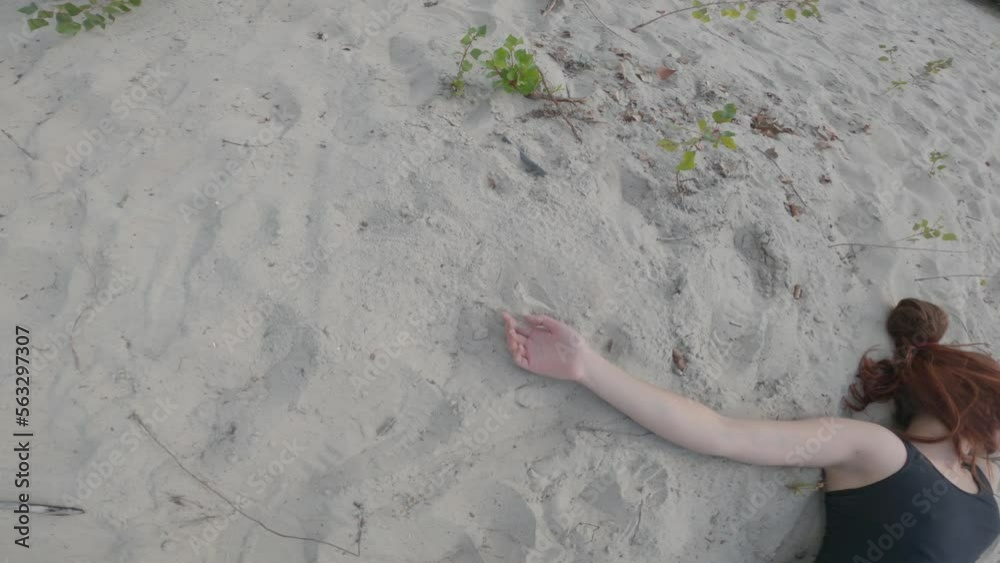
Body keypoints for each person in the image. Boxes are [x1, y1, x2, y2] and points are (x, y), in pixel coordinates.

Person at [501, 298, 1000, 563]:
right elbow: (722, 433)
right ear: (975, 400)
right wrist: (588, 367)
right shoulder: (879, 452)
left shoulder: (989, 487)